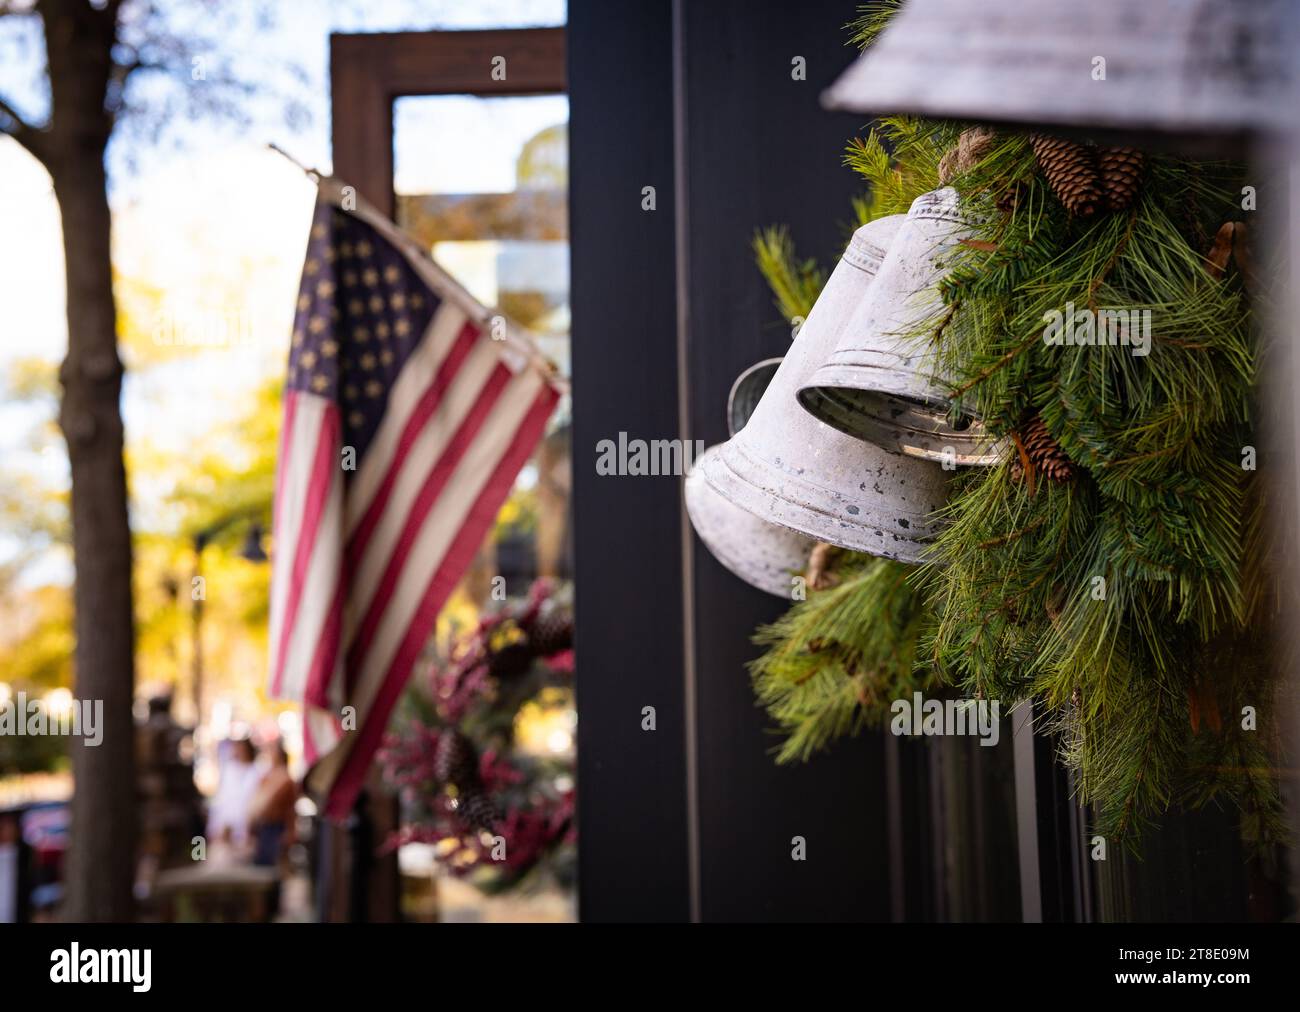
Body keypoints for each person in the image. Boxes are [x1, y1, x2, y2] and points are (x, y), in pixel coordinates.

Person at [206, 738, 261, 859]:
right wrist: (216, 826)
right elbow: (222, 799)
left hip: (246, 827)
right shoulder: (229, 770)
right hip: (226, 825)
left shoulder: (256, 772)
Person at [249, 741, 297, 869]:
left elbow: (290, 810)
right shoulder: (267, 777)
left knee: (273, 867)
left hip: (277, 828)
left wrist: (290, 832)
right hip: (264, 827)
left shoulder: (286, 780)